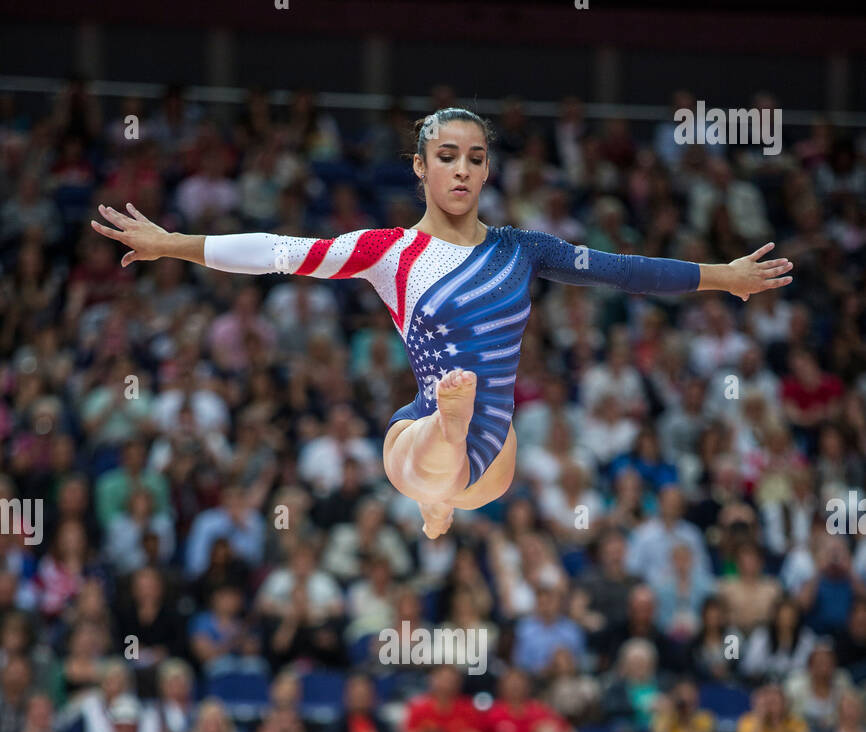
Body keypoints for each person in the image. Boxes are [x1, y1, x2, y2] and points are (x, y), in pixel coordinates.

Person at [92, 108, 793, 540]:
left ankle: (447, 474)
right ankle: (441, 464)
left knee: (463, 459)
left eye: (476, 158)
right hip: (422, 427)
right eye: (447, 157)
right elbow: (279, 253)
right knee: (438, 447)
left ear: (488, 172)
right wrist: (174, 243)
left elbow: (623, 269)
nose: (462, 170)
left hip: (494, 448)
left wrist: (722, 276)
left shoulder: (524, 249)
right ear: (421, 168)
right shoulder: (390, 252)